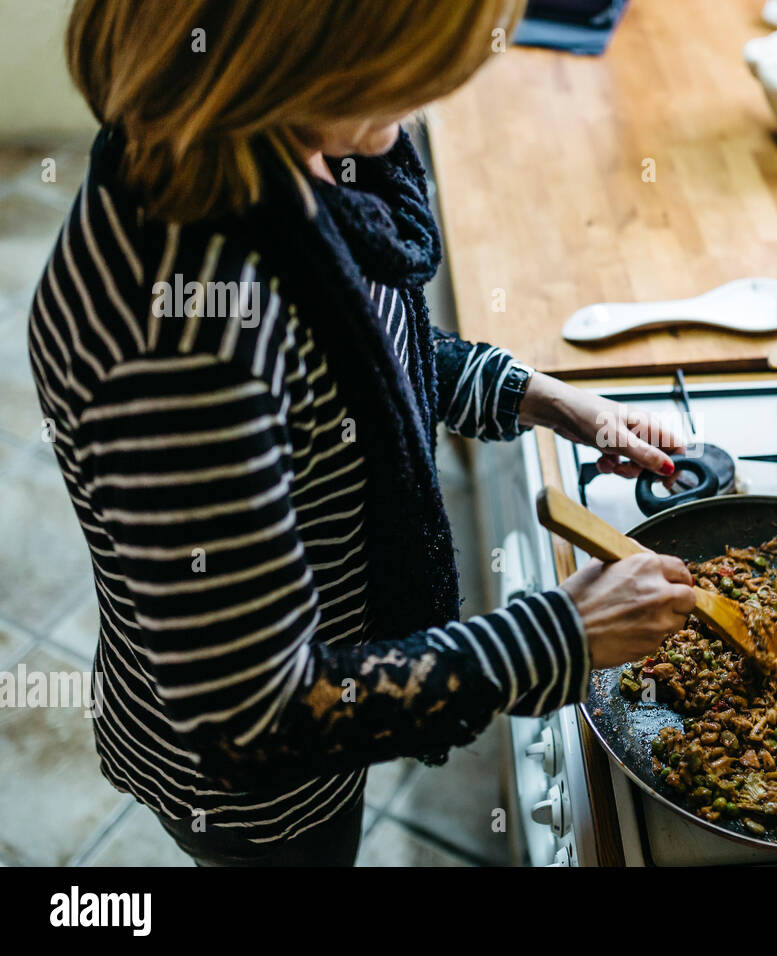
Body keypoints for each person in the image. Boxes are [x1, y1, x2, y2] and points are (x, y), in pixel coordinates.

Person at [29, 0, 694, 866]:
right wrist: (560, 637)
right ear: (307, 53)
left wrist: (545, 399)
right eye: (406, 73)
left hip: (320, 661)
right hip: (260, 794)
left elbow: (370, 363)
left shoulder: (272, 155)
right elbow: (261, 718)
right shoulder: (183, 343)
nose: (417, 111)